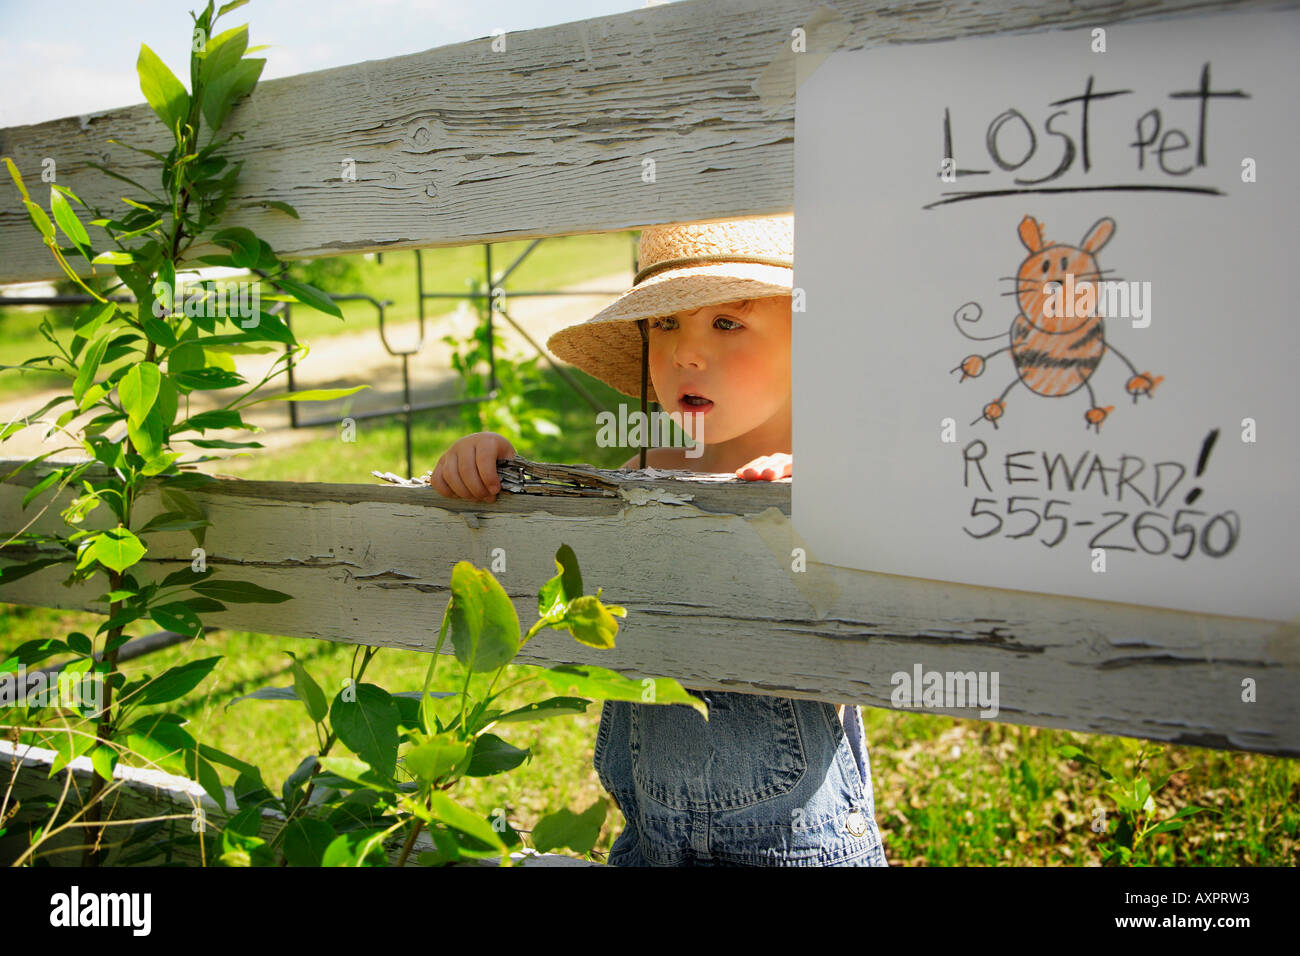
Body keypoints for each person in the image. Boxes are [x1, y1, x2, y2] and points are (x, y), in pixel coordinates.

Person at [429, 215, 887, 866]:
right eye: (665, 324)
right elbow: (577, 569)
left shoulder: (830, 471)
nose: (684, 354)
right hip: (648, 831)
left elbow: (860, 623)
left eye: (727, 322)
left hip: (795, 841)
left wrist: (792, 513)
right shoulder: (651, 465)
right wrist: (500, 474)